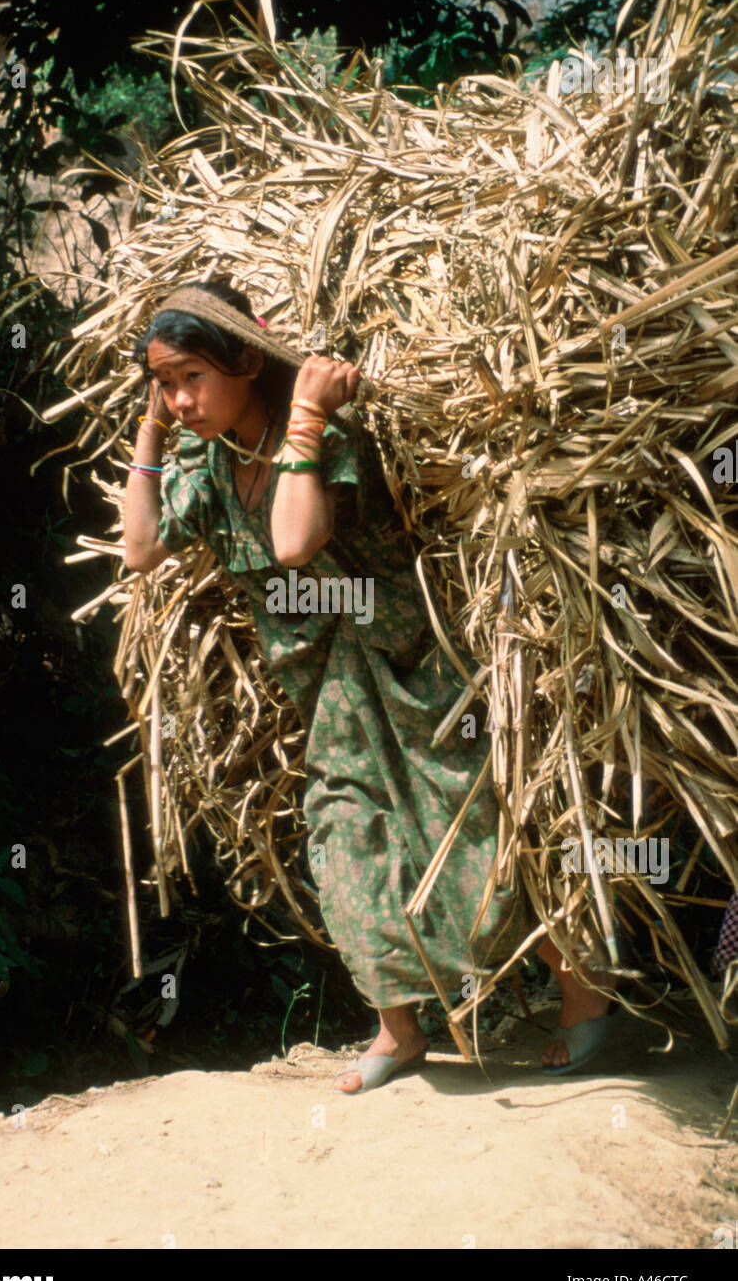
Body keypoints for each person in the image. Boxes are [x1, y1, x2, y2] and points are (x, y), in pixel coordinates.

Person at [122, 278, 604, 1089]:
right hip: (326, 689)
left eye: (191, 378)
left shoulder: (325, 435)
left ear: (248, 361)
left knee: (468, 829)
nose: (180, 400)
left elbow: (293, 541)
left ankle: (581, 989)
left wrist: (307, 415)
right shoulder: (206, 463)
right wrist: (151, 427)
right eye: (164, 383)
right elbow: (139, 549)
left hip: (409, 661)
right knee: (347, 841)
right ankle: (399, 1028)